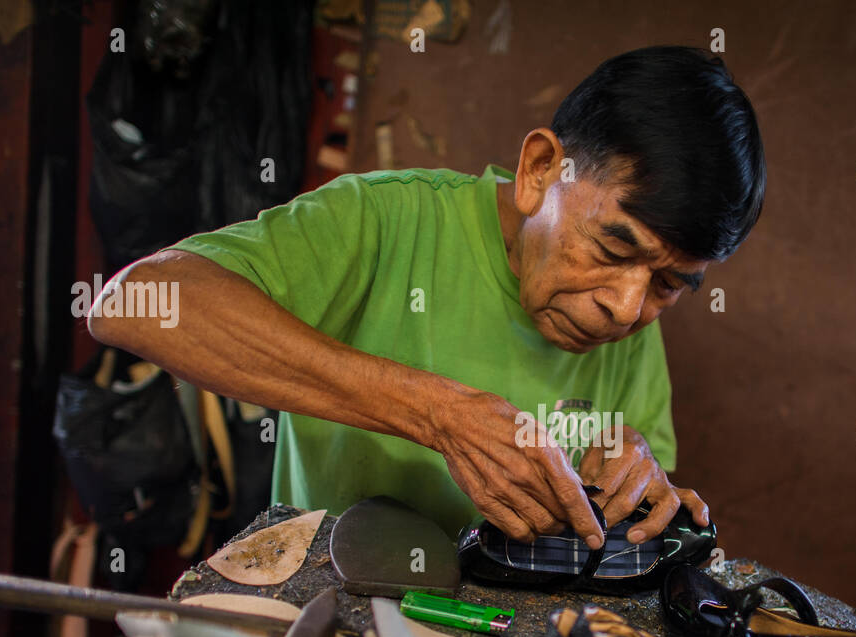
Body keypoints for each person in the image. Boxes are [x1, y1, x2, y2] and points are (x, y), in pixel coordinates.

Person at [88, 45, 765, 548]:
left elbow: (644, 469)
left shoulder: (630, 308)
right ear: (537, 171)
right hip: (335, 617)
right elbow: (133, 302)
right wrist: (437, 414)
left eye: (671, 284)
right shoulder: (385, 221)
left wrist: (637, 483)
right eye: (613, 249)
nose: (625, 307)